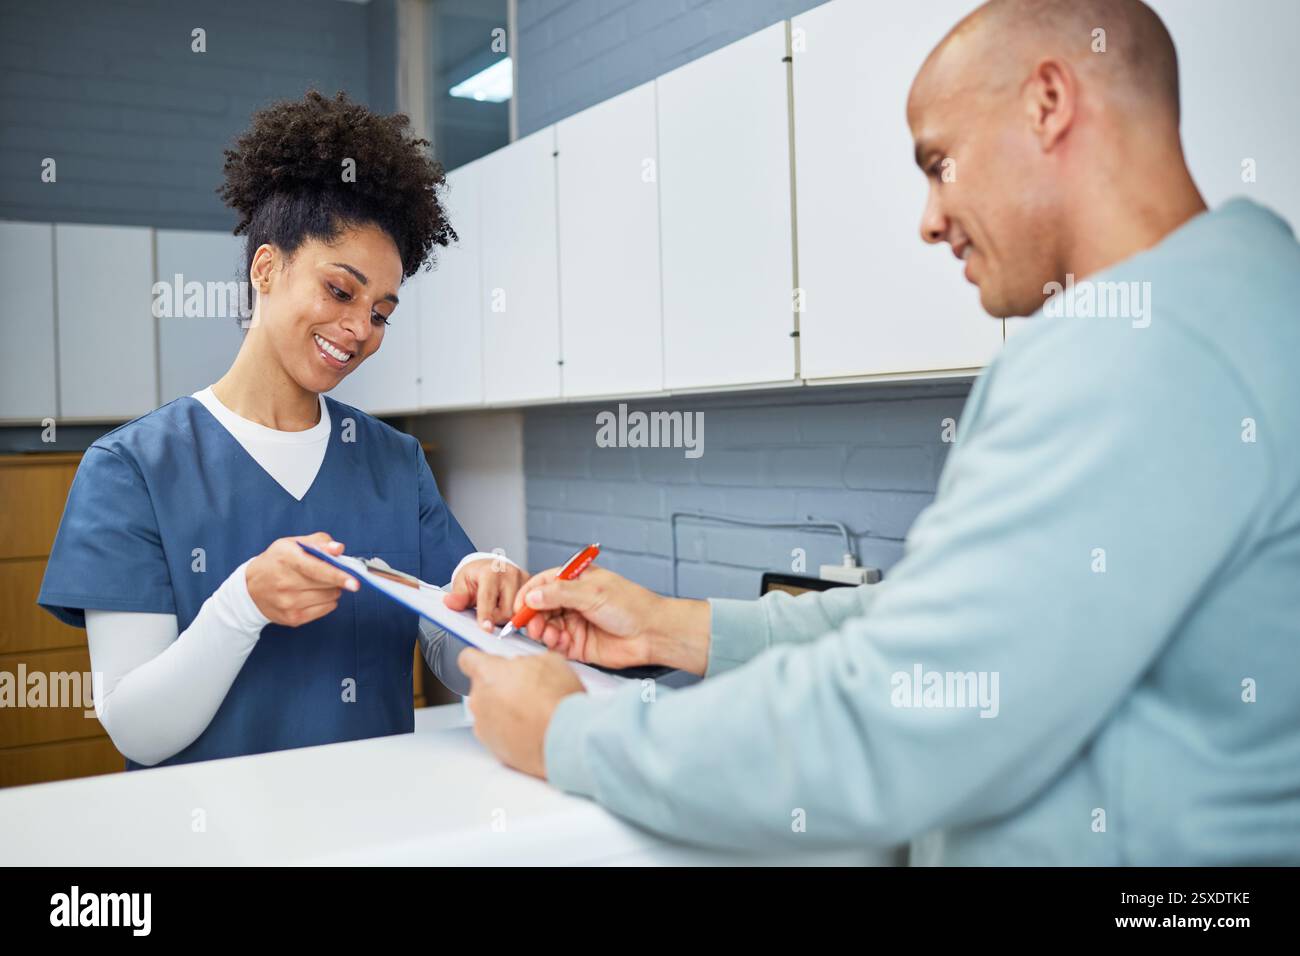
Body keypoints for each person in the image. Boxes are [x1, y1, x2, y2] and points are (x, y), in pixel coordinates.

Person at [456, 0, 1300, 864]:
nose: (929, 218)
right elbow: (937, 622)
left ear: (1049, 102)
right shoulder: (1240, 304)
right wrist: (668, 628)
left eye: (940, 163)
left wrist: (569, 732)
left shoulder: (1141, 347)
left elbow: (899, 712)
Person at [38, 91, 526, 769]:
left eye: (382, 311)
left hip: (374, 827)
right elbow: (137, 731)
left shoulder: (394, 461)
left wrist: (489, 606)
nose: (360, 329)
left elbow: (446, 647)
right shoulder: (132, 469)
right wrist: (242, 603)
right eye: (340, 290)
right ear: (265, 268)